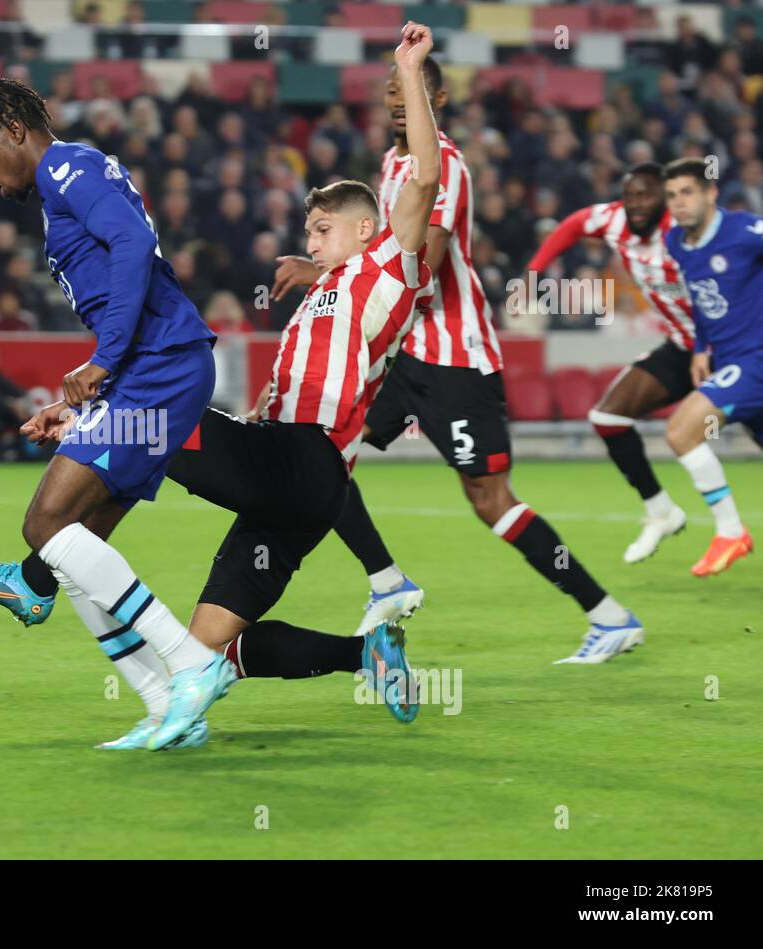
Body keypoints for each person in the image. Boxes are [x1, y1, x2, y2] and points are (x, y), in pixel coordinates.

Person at [0, 23, 443, 731]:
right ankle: (366, 654)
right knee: (214, 647)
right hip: (284, 480)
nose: (310, 241)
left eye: (323, 228)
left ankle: (33, 578)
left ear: (366, 231)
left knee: (144, 446)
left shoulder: (389, 267)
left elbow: (423, 175)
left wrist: (408, 67)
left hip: (306, 462)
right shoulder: (318, 292)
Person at [273, 54, 643, 665]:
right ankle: (388, 581)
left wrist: (323, 273)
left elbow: (429, 259)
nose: (398, 98)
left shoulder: (443, 164)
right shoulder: (391, 166)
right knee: (320, 451)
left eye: (411, 89)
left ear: (437, 100)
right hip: (403, 354)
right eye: (392, 89)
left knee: (491, 499)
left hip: (453, 356)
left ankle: (609, 617)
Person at [0, 78, 229, 751]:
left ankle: (193, 665)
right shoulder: (65, 182)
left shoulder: (64, 166)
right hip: (155, 370)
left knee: (45, 522)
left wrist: (102, 361)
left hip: (161, 365)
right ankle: (167, 708)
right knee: (73, 546)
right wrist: (83, 399)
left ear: (13, 128)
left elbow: (132, 246)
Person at [527, 163, 697, 563]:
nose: (636, 205)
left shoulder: (685, 229)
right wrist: (536, 268)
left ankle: (727, 529)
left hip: (727, 347)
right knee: (608, 418)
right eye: (630, 195)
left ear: (666, 198)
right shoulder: (615, 219)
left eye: (647, 196)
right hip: (681, 347)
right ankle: (661, 511)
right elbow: (573, 224)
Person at [661, 157, 763, 575]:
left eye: (687, 193)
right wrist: (702, 347)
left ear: (710, 193)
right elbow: (703, 302)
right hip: (727, 360)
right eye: (671, 196)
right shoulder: (674, 243)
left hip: (756, 361)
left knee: (682, 431)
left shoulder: (744, 232)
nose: (678, 204)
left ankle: (730, 531)